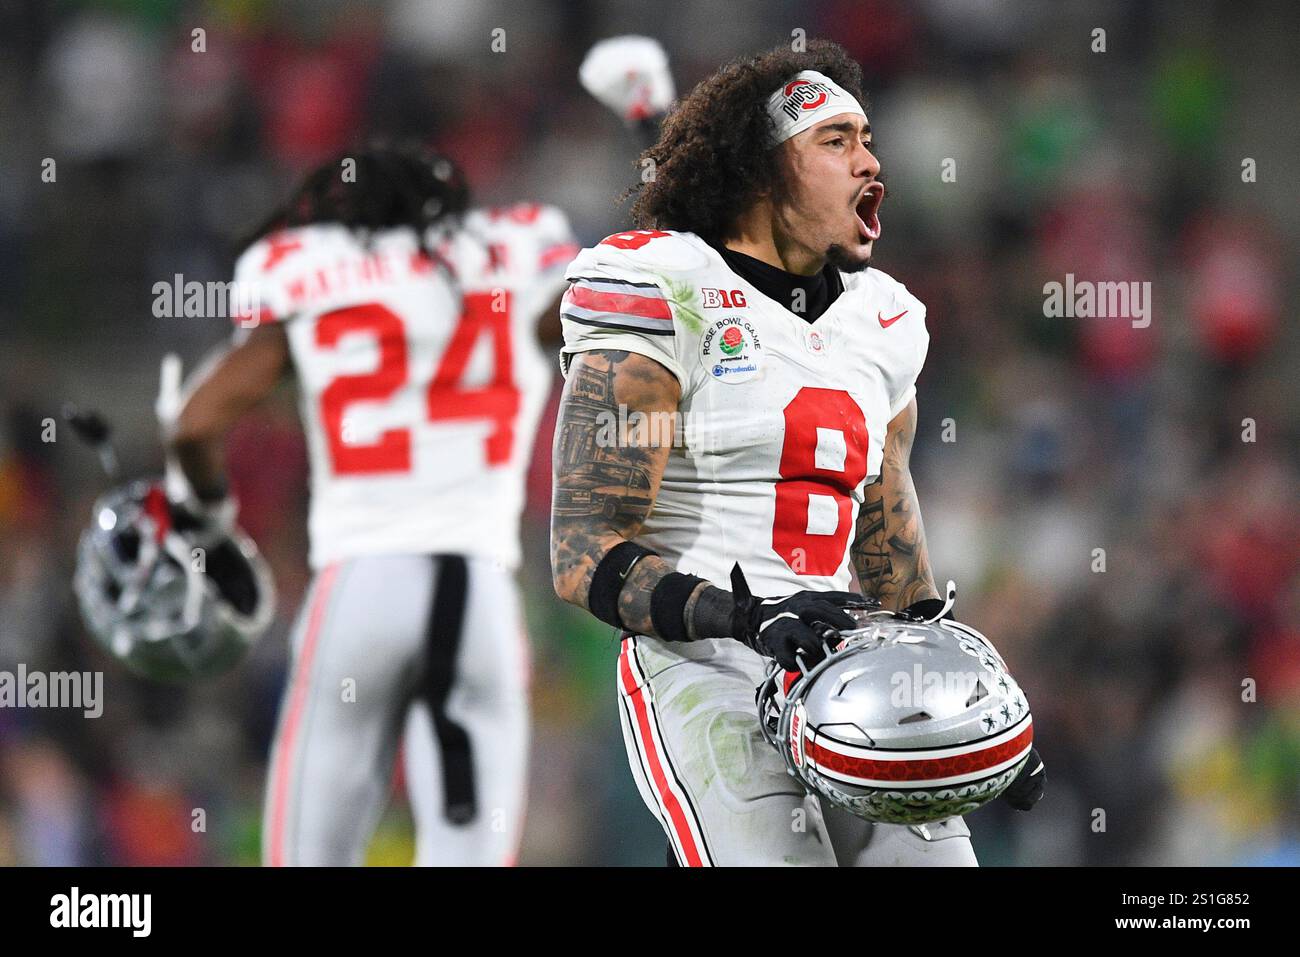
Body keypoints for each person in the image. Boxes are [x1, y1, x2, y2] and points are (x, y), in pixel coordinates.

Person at [550, 41, 1043, 866]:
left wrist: (963, 695)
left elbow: (889, 550)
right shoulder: (663, 285)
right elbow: (580, 550)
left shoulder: (881, 320)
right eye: (836, 141)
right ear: (763, 171)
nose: (870, 160)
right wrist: (747, 616)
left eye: (868, 137)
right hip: (700, 669)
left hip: (846, 667)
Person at [164, 146, 577, 865]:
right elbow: (598, 315)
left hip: (361, 588)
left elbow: (196, 424)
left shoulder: (312, 274)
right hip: (480, 594)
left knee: (307, 854)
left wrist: (206, 515)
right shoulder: (509, 262)